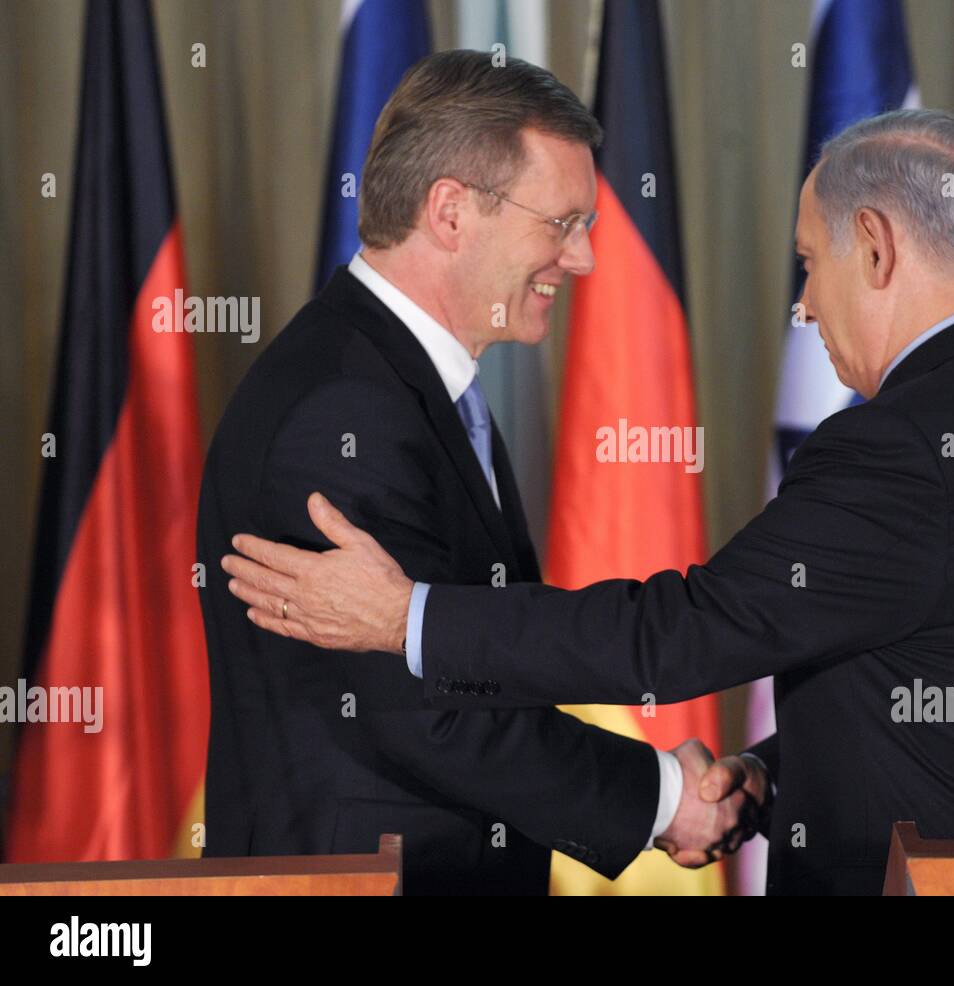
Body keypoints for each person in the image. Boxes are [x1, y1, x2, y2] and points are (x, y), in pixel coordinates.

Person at [225, 108, 954, 895]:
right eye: (562, 223)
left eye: (810, 263)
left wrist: (406, 617)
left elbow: (680, 632)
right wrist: (764, 774)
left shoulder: (896, 445)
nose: (803, 306)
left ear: (877, 247)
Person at [198, 50, 751, 896]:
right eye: (562, 223)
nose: (585, 260)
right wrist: (666, 798)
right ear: (451, 211)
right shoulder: (345, 406)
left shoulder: (397, 381)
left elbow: (465, 649)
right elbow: (424, 712)